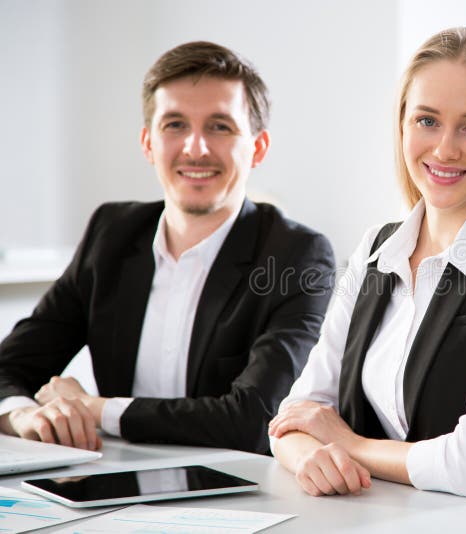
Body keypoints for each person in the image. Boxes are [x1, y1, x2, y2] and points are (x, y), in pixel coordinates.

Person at [267, 27, 466, 514]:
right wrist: (310, 456)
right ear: (402, 126)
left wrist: (348, 445)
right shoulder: (377, 249)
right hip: (391, 516)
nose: (444, 149)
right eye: (427, 121)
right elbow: (294, 417)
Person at [0, 41, 335, 454]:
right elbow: (9, 367)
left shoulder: (296, 255)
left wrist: (95, 409)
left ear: (258, 148)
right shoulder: (111, 235)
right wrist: (21, 414)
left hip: (238, 484)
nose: (195, 148)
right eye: (175, 125)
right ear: (148, 143)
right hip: (112, 476)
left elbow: (256, 417)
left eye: (220, 126)